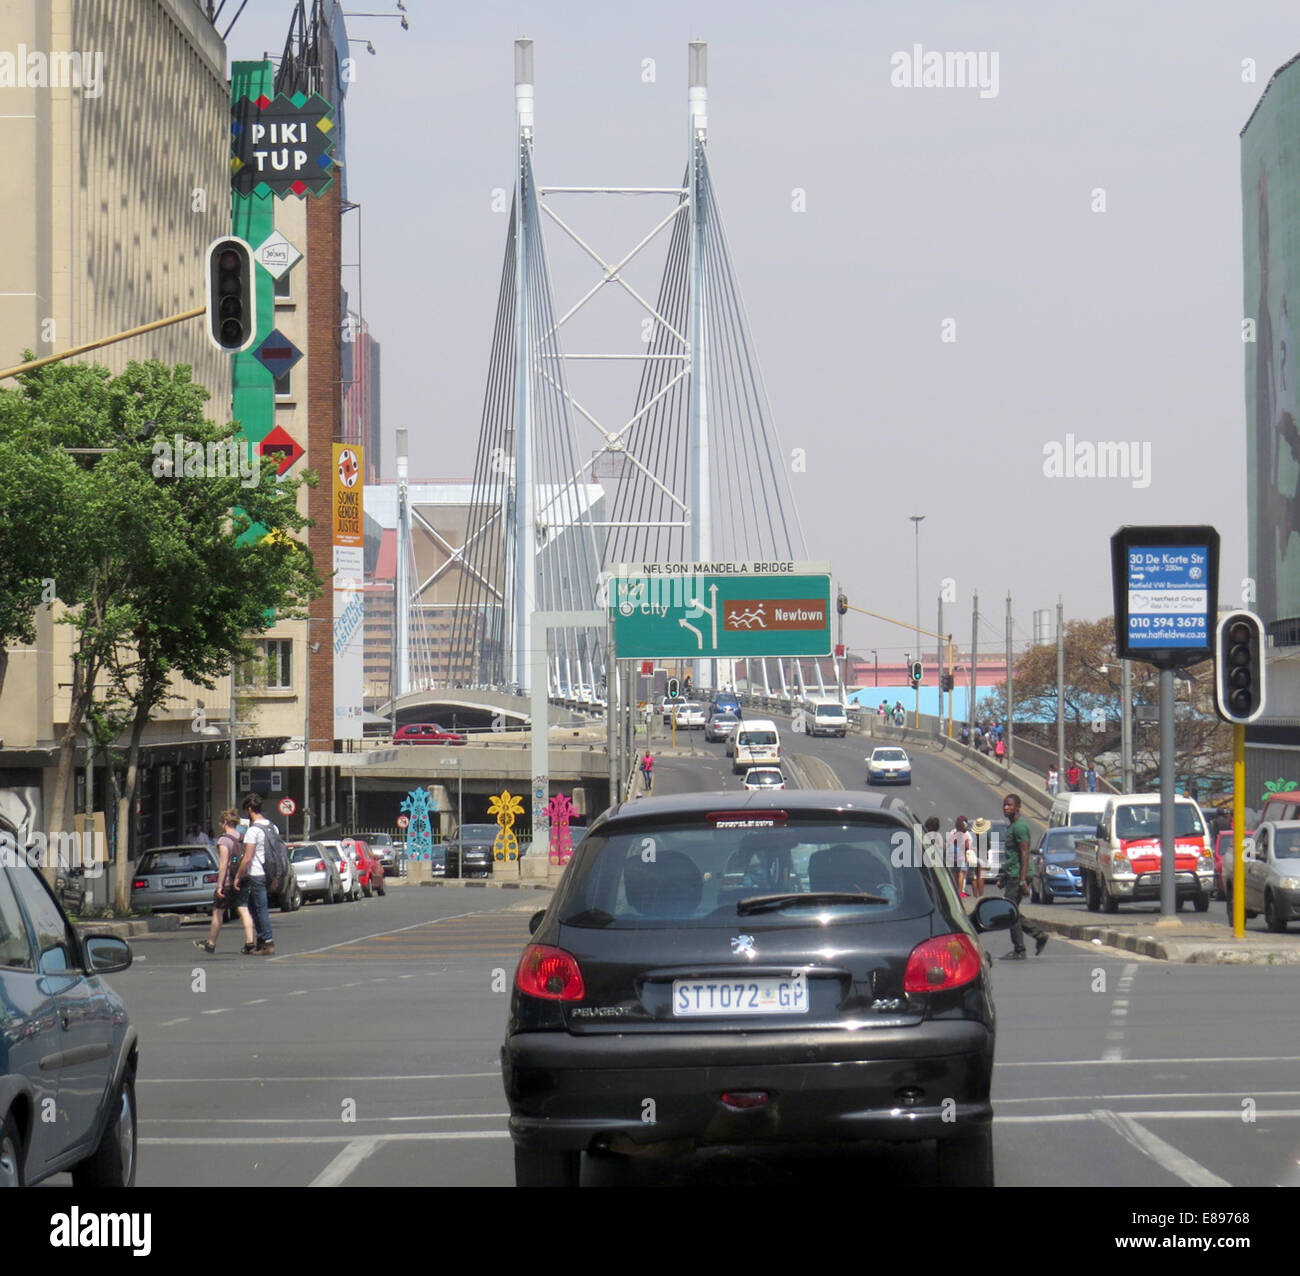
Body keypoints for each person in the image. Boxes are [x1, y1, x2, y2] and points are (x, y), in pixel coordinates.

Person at [194, 809, 256, 955]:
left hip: (228, 881)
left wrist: (219, 886)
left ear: (226, 822)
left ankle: (211, 943)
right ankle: (249, 942)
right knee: (243, 908)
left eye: (221, 822)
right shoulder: (242, 837)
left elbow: (223, 865)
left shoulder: (224, 840)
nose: (220, 825)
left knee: (218, 912)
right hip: (242, 878)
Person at [999, 793, 1049, 960]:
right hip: (1012, 875)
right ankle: (1038, 936)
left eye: (1010, 805)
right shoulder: (1012, 826)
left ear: (1018, 807)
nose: (1006, 807)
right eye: (1005, 805)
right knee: (1011, 911)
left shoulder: (1020, 826)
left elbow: (1025, 853)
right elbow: (1012, 856)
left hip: (1018, 876)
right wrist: (1003, 877)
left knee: (1009, 912)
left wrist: (1022, 880)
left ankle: (1020, 949)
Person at [234, 792, 276, 956]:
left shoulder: (253, 831)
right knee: (252, 906)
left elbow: (247, 857)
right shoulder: (272, 827)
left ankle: (267, 942)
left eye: (246, 810)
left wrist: (238, 875)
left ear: (250, 809)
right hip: (268, 872)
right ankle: (261, 940)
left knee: (261, 908)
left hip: (257, 873)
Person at [949, 815, 973, 898]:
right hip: (962, 857)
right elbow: (968, 847)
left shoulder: (953, 833)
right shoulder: (966, 835)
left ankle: (954, 890)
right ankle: (960, 892)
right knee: (961, 874)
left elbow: (949, 844)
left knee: (955, 873)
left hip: (954, 857)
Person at [968, 817, 990, 898]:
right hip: (982, 856)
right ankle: (981, 895)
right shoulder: (985, 834)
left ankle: (975, 895)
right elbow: (987, 848)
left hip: (973, 856)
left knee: (974, 877)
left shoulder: (972, 834)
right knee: (981, 876)